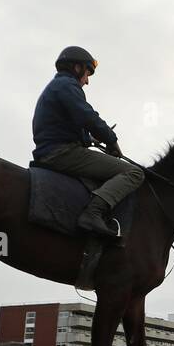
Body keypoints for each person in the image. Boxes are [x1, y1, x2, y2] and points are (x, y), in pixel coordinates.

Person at [32, 46, 143, 236]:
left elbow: (72, 123)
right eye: (87, 73)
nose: (87, 81)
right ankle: (93, 214)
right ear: (77, 68)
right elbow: (87, 116)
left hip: (54, 149)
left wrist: (88, 138)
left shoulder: (57, 86)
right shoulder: (67, 85)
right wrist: (111, 139)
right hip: (62, 153)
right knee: (133, 172)